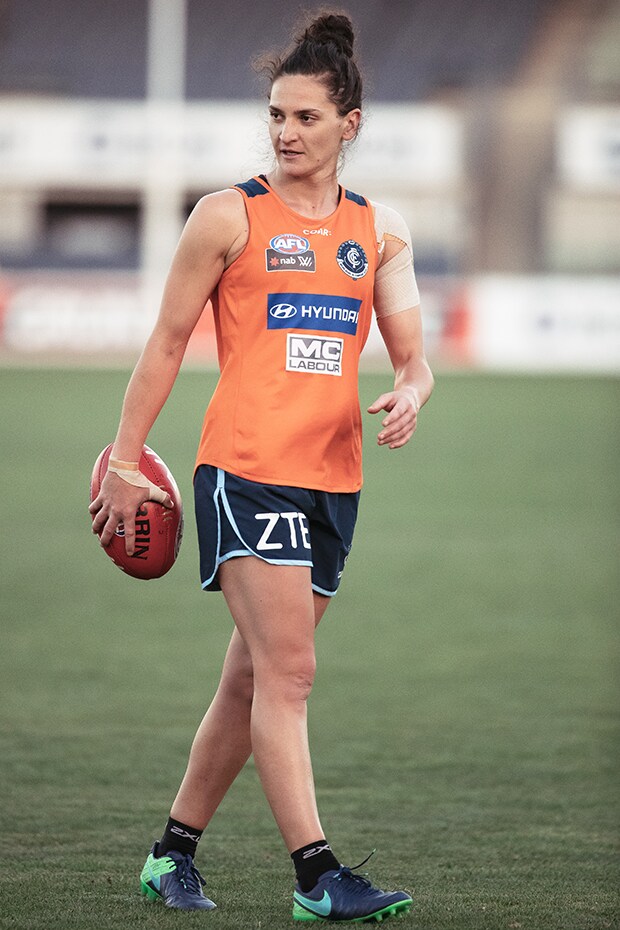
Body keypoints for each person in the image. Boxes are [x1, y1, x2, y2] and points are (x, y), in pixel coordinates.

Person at [89, 10, 433, 923]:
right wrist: (125, 461)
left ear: (348, 123)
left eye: (306, 118)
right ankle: (316, 874)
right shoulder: (226, 215)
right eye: (276, 116)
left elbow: (412, 356)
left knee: (251, 678)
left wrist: (411, 389)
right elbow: (165, 343)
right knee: (289, 675)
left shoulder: (380, 230)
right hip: (244, 469)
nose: (285, 133)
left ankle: (171, 857)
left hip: (336, 479)